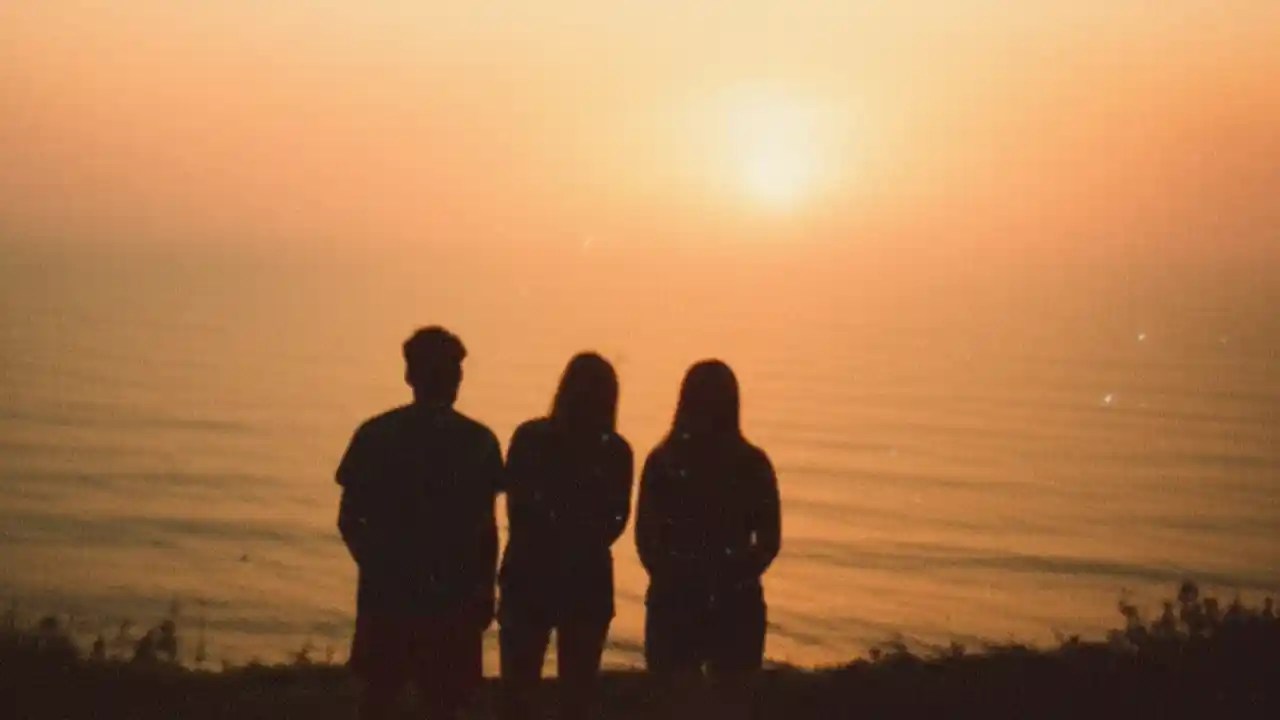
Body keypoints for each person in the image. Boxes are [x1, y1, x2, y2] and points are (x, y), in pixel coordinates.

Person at [336, 326, 503, 720]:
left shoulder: (375, 435)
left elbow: (349, 519)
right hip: (452, 594)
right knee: (441, 703)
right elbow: (487, 529)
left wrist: (378, 565)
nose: (458, 379)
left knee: (381, 696)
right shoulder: (479, 442)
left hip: (394, 592)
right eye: (454, 371)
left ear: (409, 376)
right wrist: (484, 588)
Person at [635, 359, 781, 718]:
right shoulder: (751, 462)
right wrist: (736, 569)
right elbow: (768, 541)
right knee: (725, 702)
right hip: (724, 597)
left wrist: (675, 572)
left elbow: (645, 539)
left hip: (693, 597)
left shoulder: (664, 460)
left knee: (681, 701)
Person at [498, 353, 634, 720]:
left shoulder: (529, 437)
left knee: (518, 689)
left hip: (528, 573)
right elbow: (617, 520)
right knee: (578, 693)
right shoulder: (616, 450)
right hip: (586, 577)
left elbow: (517, 509)